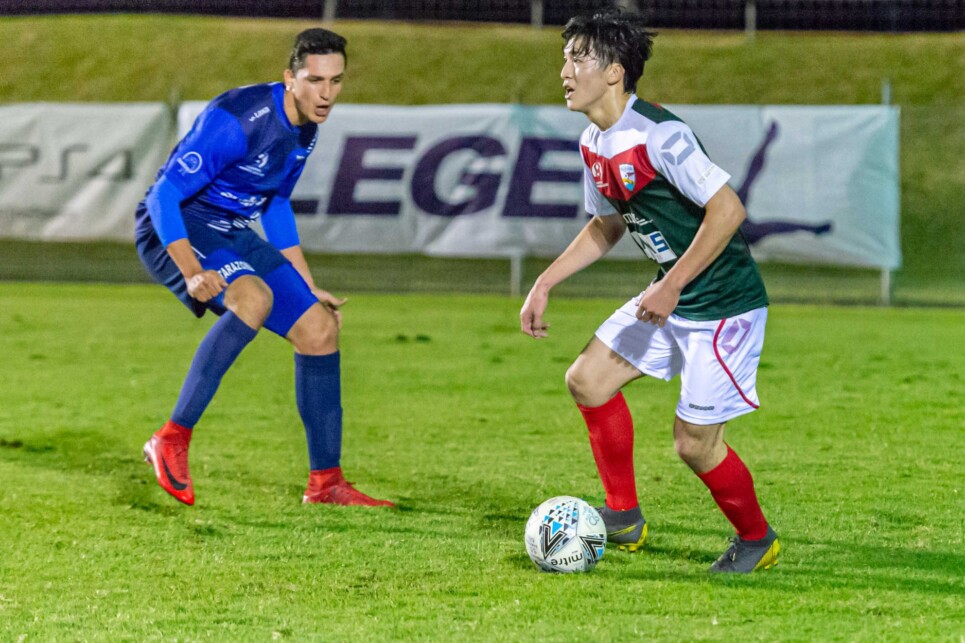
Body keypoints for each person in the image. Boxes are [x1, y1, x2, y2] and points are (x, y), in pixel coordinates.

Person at [519, 10, 780, 573]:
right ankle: (623, 518)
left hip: (721, 307)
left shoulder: (660, 134)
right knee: (588, 380)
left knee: (694, 445)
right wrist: (545, 281)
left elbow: (728, 209)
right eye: (565, 58)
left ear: (614, 72)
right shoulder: (594, 140)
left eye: (578, 59)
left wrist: (673, 286)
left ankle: (757, 539)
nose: (564, 70)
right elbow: (605, 225)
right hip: (672, 295)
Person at [135, 28, 393, 508]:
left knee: (320, 328)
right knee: (253, 298)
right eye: (316, 80)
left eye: (336, 81)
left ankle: (326, 483)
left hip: (229, 228)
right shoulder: (239, 118)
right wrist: (192, 271)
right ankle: (171, 438)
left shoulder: (307, 128)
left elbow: (274, 203)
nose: (327, 94)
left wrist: (307, 284)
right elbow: (163, 196)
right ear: (289, 78)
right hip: (177, 226)